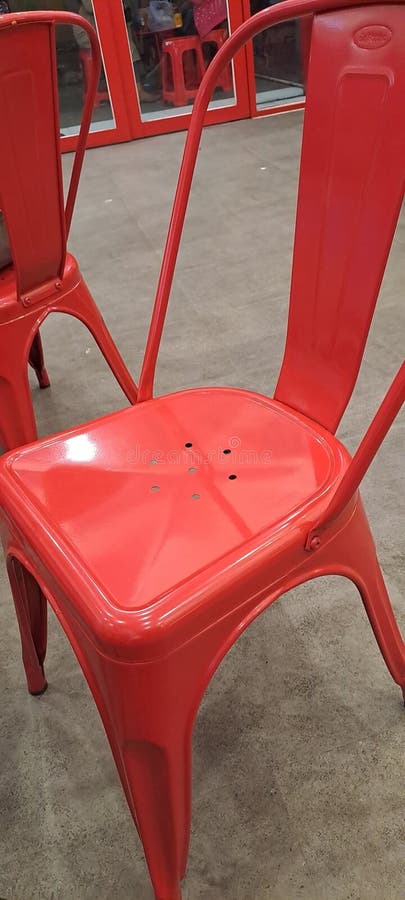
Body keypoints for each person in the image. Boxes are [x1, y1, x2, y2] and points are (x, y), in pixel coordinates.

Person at [73, 0, 159, 102]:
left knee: (127, 41)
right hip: (88, 31)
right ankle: (137, 91)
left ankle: (134, 87)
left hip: (102, 27)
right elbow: (91, 7)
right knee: (126, 46)